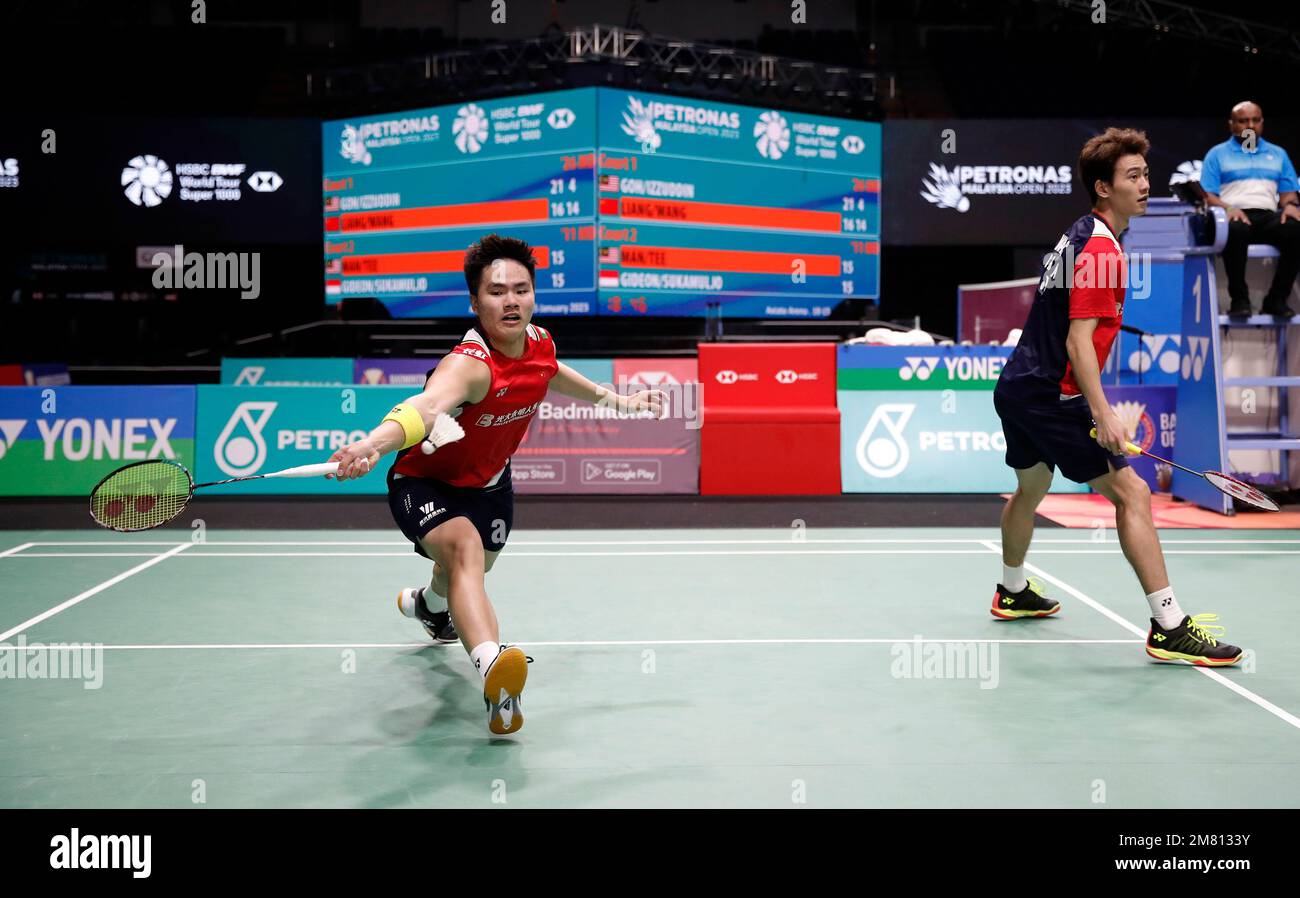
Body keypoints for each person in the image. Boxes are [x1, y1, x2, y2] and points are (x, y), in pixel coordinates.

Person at [330, 234, 666, 733]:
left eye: (521, 289)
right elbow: (423, 408)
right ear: (474, 302)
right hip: (424, 483)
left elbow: (550, 371)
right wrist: (371, 446)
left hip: (490, 486)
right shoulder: (469, 365)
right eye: (496, 291)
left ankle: (428, 607)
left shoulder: (540, 342)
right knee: (464, 551)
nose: (511, 301)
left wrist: (614, 400)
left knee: (462, 575)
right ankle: (494, 671)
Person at [991, 127, 1242, 666]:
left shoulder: (1080, 232)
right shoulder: (1103, 250)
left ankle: (1011, 591)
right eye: (1133, 177)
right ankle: (1169, 627)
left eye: (1146, 174)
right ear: (1103, 188)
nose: (1145, 184)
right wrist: (1103, 414)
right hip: (1049, 394)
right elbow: (1078, 341)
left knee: (1031, 485)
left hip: (1017, 386)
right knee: (1134, 495)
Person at [1200, 101, 1300, 318]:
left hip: (1266, 217)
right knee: (1235, 228)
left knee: (1296, 228)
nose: (1250, 125)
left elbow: (1287, 193)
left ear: (1262, 123)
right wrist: (1229, 208)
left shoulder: (1278, 154)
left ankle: (1276, 299)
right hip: (1232, 215)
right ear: (1231, 125)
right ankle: (1239, 299)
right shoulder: (1217, 154)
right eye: (1243, 121)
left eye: (1255, 120)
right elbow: (1208, 195)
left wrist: (1291, 206)